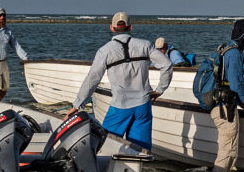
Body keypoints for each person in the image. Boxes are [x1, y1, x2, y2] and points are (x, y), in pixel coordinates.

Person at [71, 12, 173, 148]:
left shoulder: (105, 51)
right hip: (143, 105)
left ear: (112, 28)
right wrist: (159, 90)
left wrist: (77, 105)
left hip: (120, 105)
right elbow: (167, 65)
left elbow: (92, 79)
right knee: (139, 151)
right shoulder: (145, 45)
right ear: (130, 27)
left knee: (106, 146)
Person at [210, 18, 244, 172]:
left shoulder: (224, 49)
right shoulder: (235, 53)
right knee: (227, 152)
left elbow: (225, 81)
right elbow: (236, 86)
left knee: (226, 149)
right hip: (226, 110)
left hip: (218, 105)